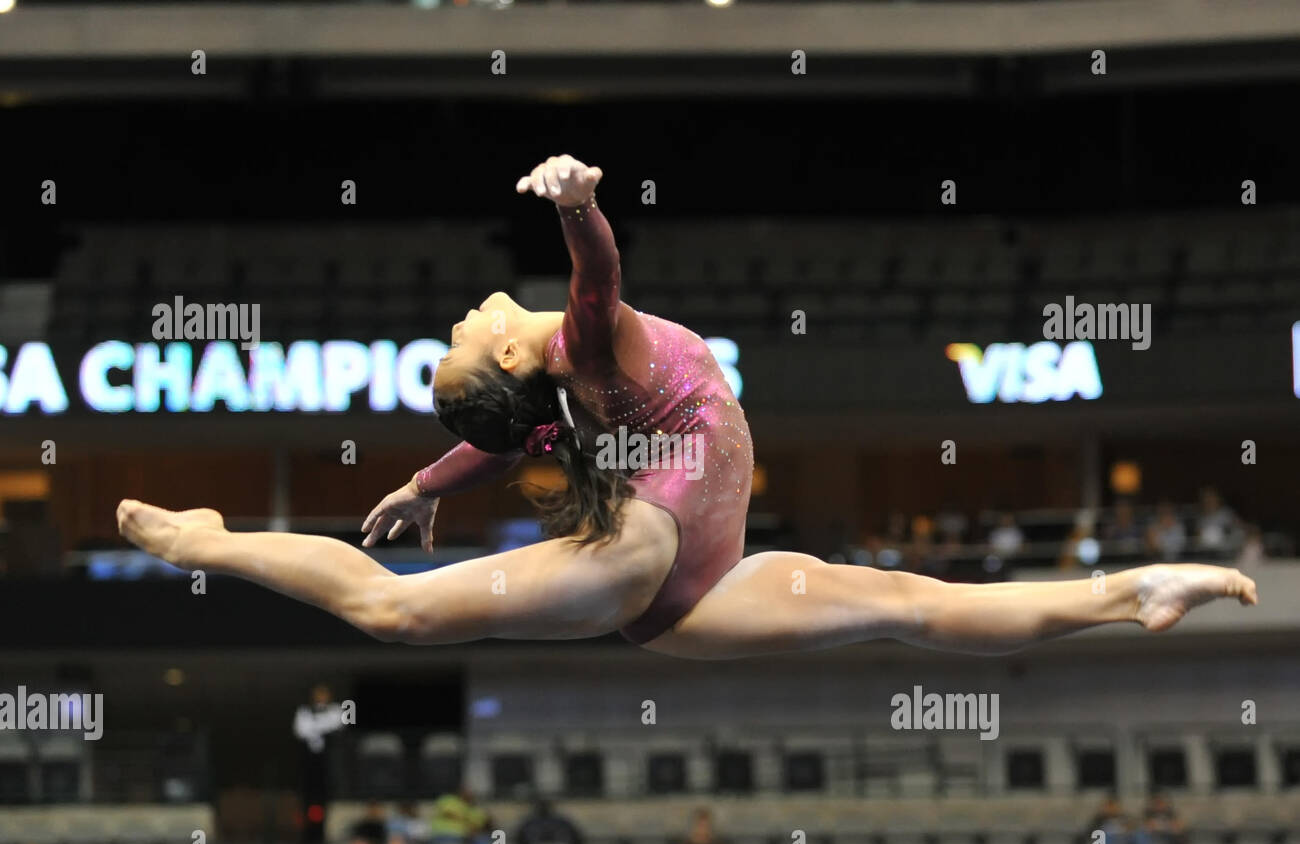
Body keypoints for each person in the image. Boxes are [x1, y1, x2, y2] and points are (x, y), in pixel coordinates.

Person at [114, 155, 1258, 662]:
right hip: (651, 556)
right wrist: (577, 202)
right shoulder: (580, 339)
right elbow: (596, 277)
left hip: (695, 594)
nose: (464, 313)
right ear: (512, 347)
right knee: (394, 614)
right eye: (465, 334)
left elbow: (499, 436)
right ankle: (204, 541)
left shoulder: (567, 386)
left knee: (914, 603)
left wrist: (425, 483)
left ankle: (1124, 592)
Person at [293, 684, 345, 844]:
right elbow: (300, 730)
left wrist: (315, 727)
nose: (320, 698)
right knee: (307, 799)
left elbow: (338, 724)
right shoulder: (305, 711)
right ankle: (307, 834)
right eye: (318, 695)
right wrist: (321, 727)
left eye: (323, 695)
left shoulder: (336, 709)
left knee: (325, 799)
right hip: (309, 760)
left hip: (328, 759)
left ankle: (322, 835)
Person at [516, 798, 583, 844]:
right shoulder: (529, 822)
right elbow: (518, 839)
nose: (544, 808)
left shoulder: (562, 822)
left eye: (545, 806)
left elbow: (577, 838)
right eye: (542, 806)